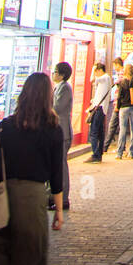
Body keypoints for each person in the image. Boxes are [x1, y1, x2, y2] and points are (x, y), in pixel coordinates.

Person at [0, 72, 65, 265]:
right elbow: (56, 175)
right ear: (47, 97)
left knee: (2, 263)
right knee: (33, 263)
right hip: (32, 199)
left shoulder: (4, 127)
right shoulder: (52, 129)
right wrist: (59, 212)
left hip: (2, 197)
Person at [51, 62, 73, 210]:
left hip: (62, 131)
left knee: (61, 166)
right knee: (55, 165)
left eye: (55, 72)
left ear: (62, 75)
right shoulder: (59, 87)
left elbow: (57, 107)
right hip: (57, 130)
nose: (53, 74)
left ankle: (63, 199)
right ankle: (53, 197)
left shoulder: (65, 88)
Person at [85, 63, 112, 163]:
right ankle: (99, 154)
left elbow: (91, 79)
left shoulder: (105, 77)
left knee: (94, 132)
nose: (95, 73)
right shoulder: (106, 79)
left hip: (99, 108)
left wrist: (92, 69)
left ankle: (95, 154)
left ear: (99, 70)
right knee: (100, 132)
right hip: (100, 108)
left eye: (96, 71)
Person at [115, 63, 133, 160]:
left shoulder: (122, 82)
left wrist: (117, 107)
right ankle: (131, 153)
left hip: (124, 107)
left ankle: (119, 153)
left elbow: (119, 96)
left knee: (123, 130)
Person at [103, 58, 124, 153]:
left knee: (113, 125)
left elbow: (120, 90)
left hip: (119, 104)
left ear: (117, 65)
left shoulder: (121, 74)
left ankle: (105, 146)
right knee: (119, 126)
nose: (114, 68)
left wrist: (117, 104)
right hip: (120, 103)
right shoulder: (123, 74)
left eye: (115, 66)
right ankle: (120, 147)